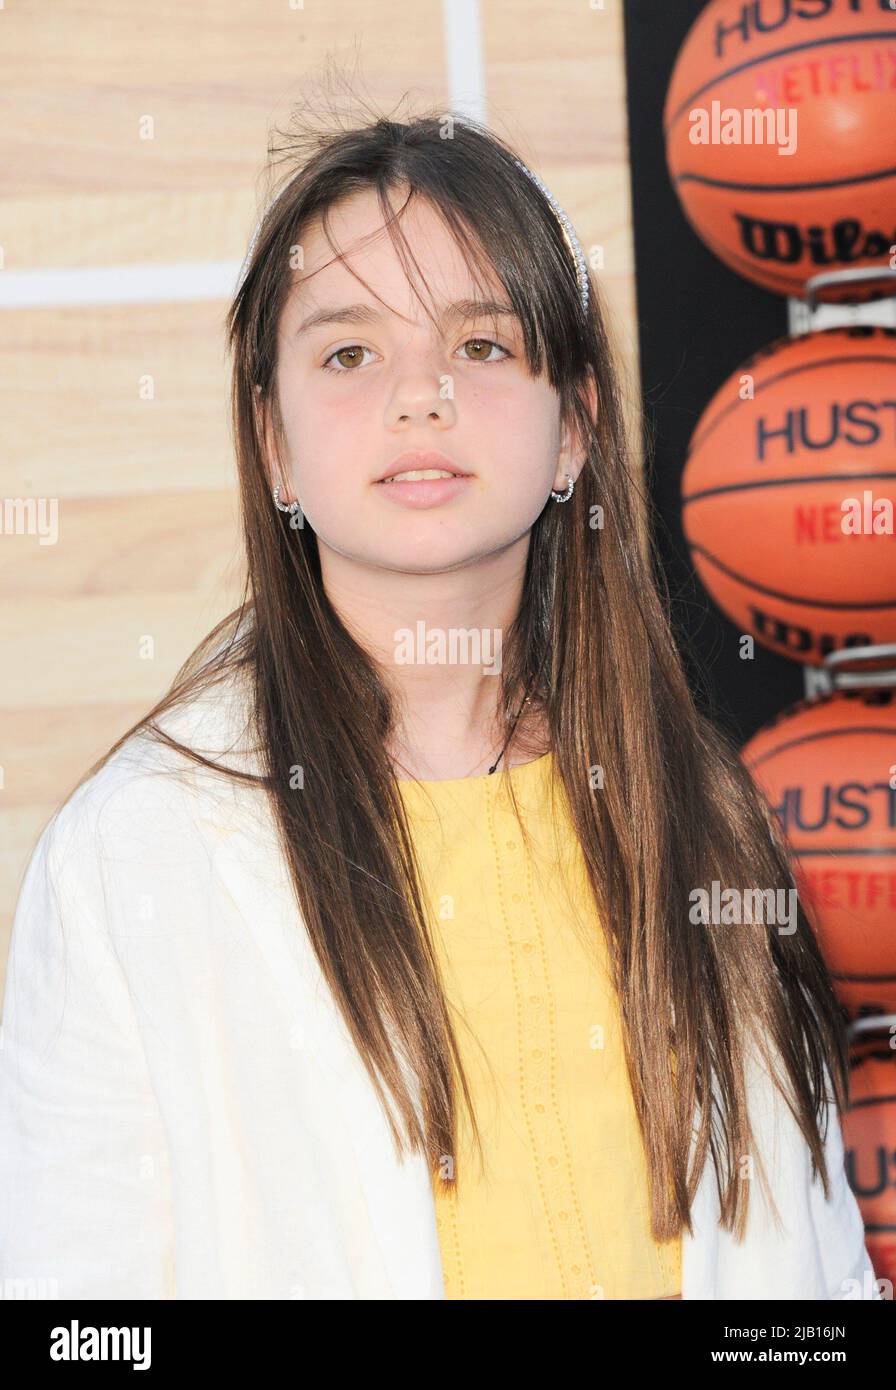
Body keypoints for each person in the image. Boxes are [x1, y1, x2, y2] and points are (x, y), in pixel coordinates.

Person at [0, 98, 881, 1300]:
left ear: (572, 425)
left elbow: (815, 1288)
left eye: (479, 344)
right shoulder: (134, 854)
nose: (421, 397)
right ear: (272, 446)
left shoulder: (703, 813)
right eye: (349, 352)